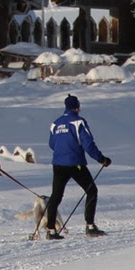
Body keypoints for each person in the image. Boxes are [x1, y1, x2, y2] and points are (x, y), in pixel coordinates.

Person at [44, 94, 111, 238]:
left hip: (58, 164)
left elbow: (52, 144)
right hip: (75, 164)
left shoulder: (55, 123)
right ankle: (90, 226)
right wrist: (101, 159)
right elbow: (88, 144)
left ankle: (51, 230)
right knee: (91, 191)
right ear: (77, 107)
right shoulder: (79, 122)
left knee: (56, 196)